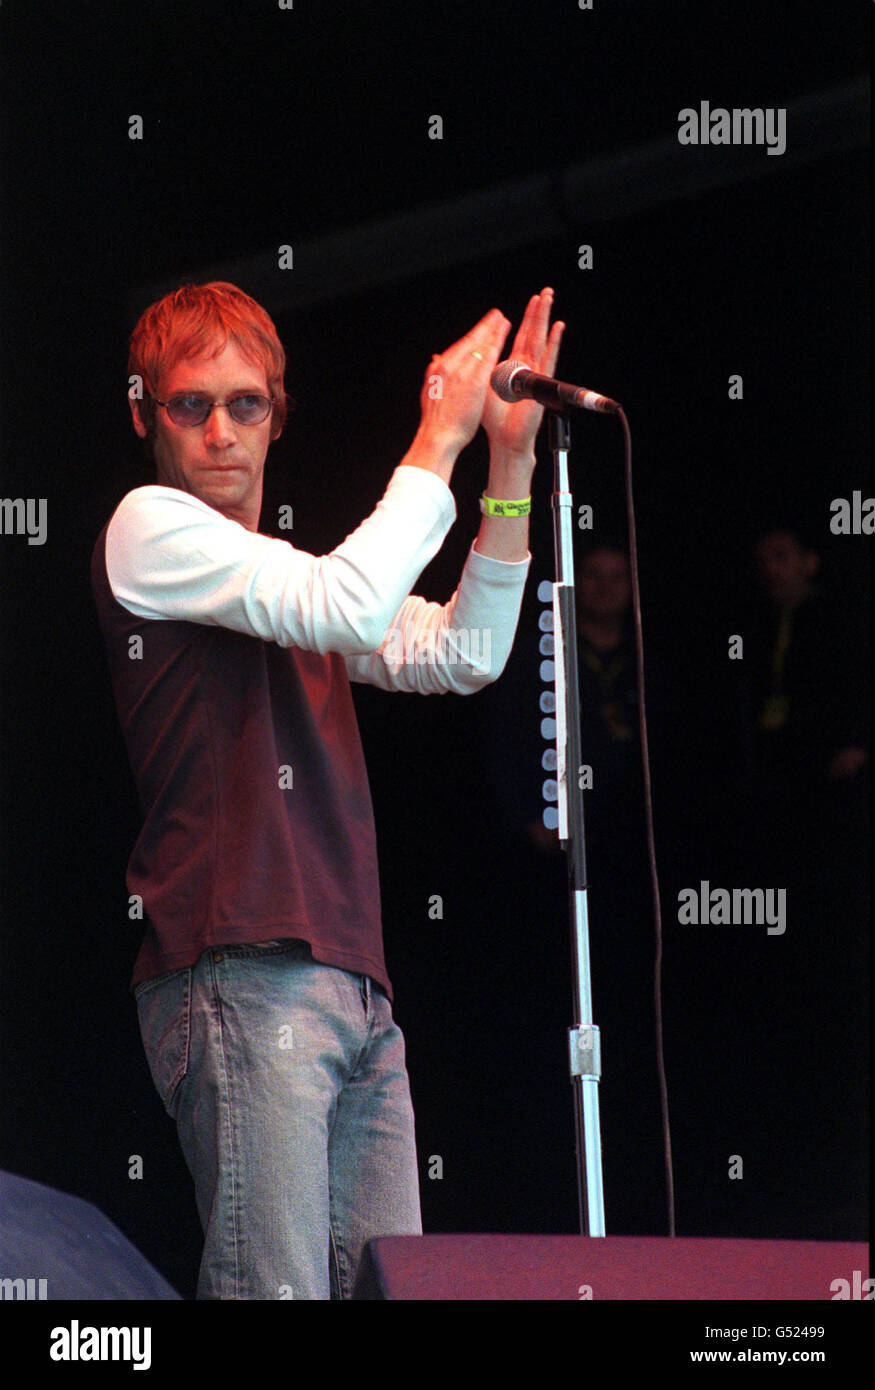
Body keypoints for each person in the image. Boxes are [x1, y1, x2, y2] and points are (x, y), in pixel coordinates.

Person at [91, 279, 564, 1299]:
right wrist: (437, 435)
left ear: (276, 417)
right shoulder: (147, 528)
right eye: (190, 404)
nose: (220, 430)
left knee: (386, 1292)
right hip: (240, 969)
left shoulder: (290, 578)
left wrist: (509, 461)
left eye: (245, 404)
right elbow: (350, 604)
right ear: (145, 415)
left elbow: (464, 653)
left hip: (351, 982)